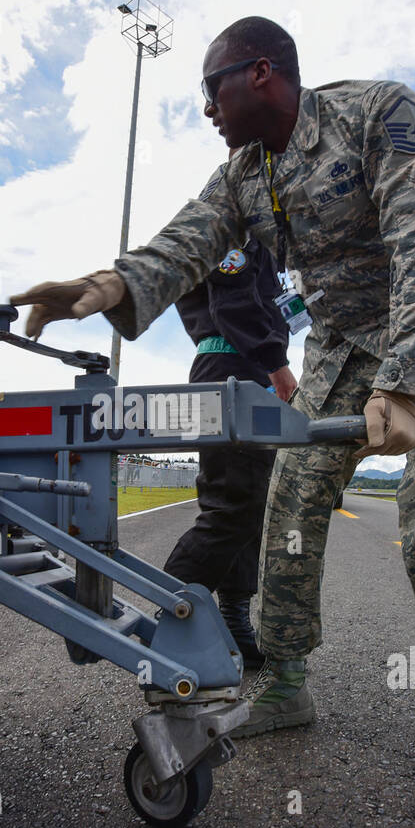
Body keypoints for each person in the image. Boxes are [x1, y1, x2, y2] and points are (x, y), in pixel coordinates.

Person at [11, 17, 415, 828]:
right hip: (337, 346)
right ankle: (288, 681)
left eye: (209, 88)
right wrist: (106, 285)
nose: (206, 109)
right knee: (287, 512)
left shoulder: (380, 115)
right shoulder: (245, 173)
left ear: (260, 74)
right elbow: (186, 243)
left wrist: (406, 383)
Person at [163, 237, 294, 663]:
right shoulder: (235, 232)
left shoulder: (263, 242)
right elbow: (232, 304)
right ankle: (164, 612)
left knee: (249, 506)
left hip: (243, 371)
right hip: (229, 371)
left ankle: (234, 616)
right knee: (231, 505)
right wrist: (277, 363)